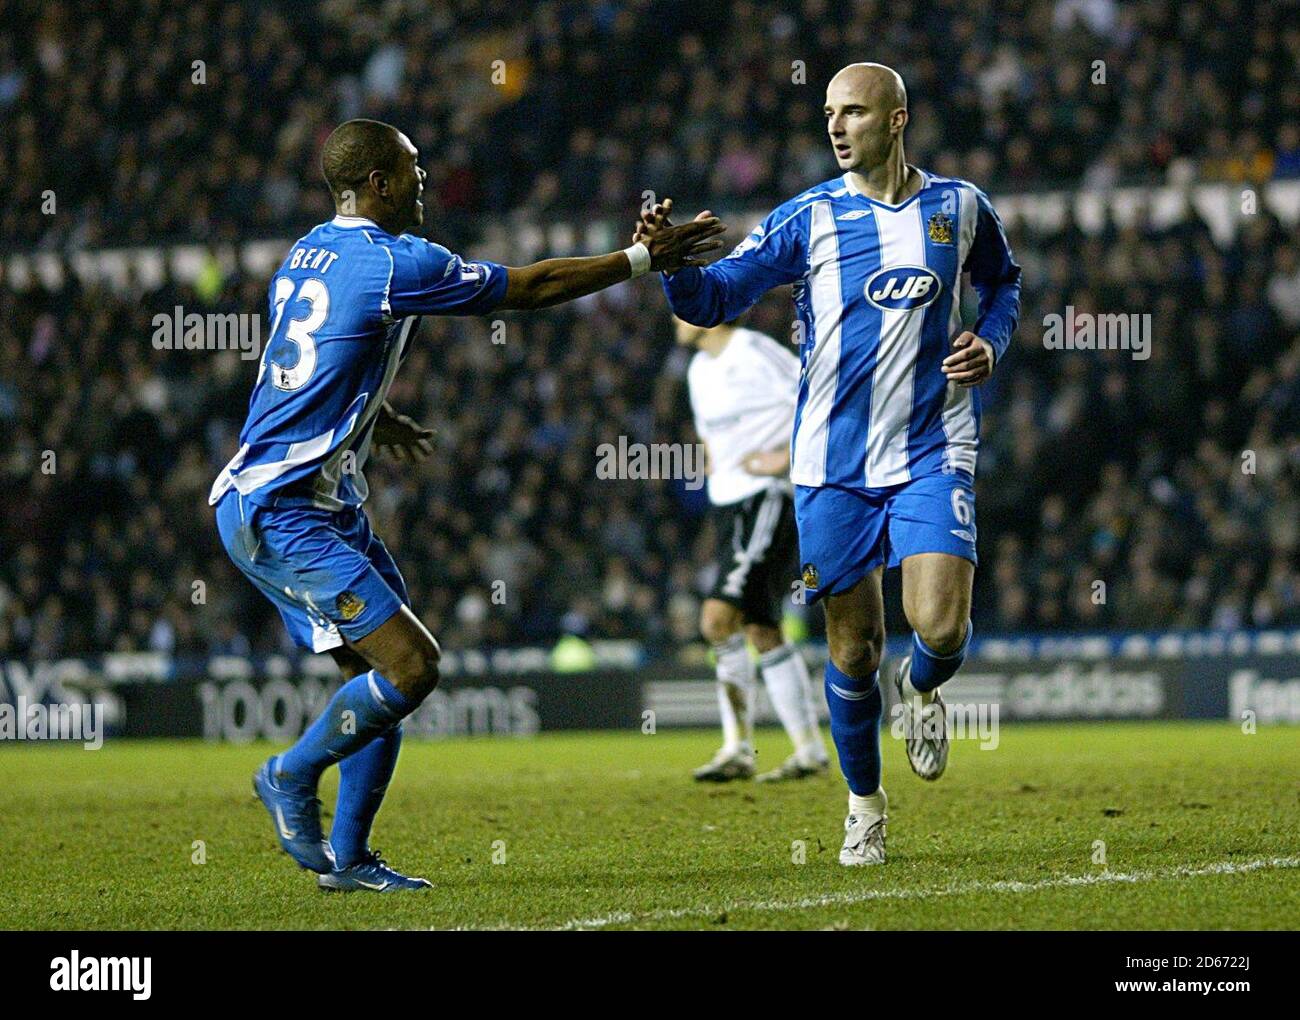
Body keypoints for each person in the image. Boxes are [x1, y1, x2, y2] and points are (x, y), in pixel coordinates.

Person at [211, 118, 724, 891]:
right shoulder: (394, 261)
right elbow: (530, 287)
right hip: (282, 509)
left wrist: (375, 415)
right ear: (380, 183)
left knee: (378, 684)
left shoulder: (308, 250)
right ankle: (288, 775)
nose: (425, 179)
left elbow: (307, 359)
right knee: (414, 666)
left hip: (310, 500)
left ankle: (347, 861)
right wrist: (644, 258)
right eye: (413, 168)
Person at [636, 64, 1021, 865]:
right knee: (852, 650)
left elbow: (1003, 285)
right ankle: (865, 806)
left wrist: (990, 340)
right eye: (828, 113)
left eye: (852, 112)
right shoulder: (808, 217)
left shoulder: (960, 206)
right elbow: (715, 300)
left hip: (931, 444)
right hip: (830, 465)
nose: (836, 126)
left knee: (941, 626)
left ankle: (922, 692)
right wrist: (667, 267)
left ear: (898, 118)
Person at [674, 316, 828, 784]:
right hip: (730, 507)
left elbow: (816, 395)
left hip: (766, 497)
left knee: (716, 619)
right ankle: (808, 750)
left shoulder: (754, 350)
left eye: (683, 307)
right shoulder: (698, 368)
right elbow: (711, 438)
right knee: (762, 628)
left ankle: (737, 746)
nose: (674, 317)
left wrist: (784, 457)